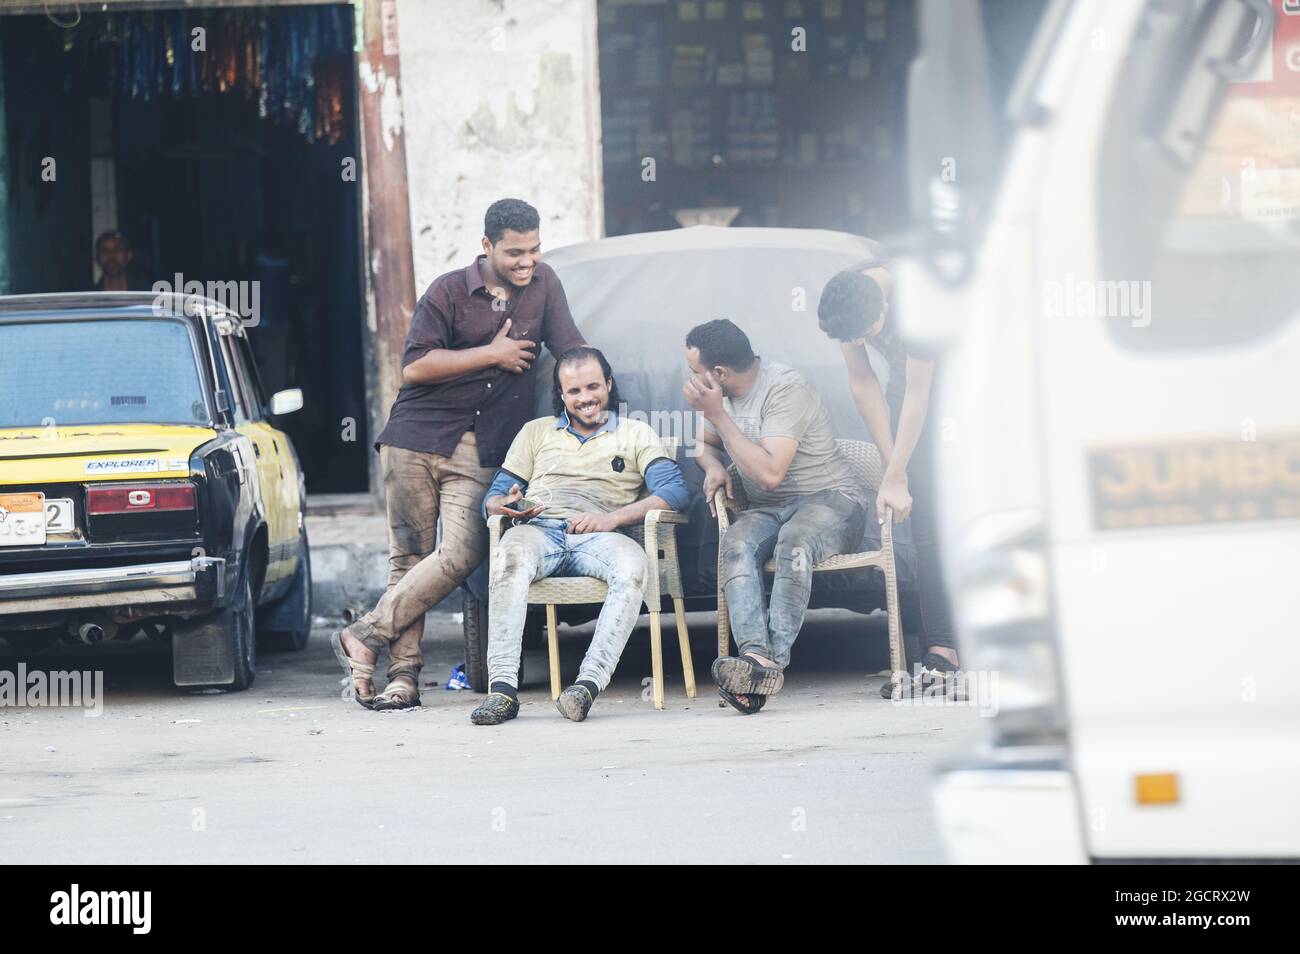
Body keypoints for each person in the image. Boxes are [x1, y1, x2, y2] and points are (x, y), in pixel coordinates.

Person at [332, 198, 585, 710]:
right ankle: (403, 679)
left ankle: (365, 634)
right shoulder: (448, 290)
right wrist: (492, 353)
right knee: (410, 558)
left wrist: (599, 403)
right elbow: (414, 367)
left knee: (464, 552)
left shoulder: (545, 285)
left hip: (487, 447)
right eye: (515, 252)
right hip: (416, 437)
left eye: (534, 250)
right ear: (487, 245)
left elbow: (571, 347)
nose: (526, 262)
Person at [470, 347, 690, 725]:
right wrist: (505, 505)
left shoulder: (636, 432)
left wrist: (613, 519)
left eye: (593, 386)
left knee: (633, 565)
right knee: (508, 557)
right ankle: (503, 691)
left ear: (608, 384)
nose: (585, 398)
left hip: (601, 536)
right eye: (574, 391)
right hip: (539, 530)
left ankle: (586, 686)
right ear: (561, 394)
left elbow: (674, 491)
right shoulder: (535, 433)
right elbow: (494, 497)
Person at [682, 319, 868, 714]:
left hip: (832, 500)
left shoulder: (786, 388)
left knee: (793, 542)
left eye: (697, 373)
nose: (694, 382)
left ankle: (771, 663)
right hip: (771, 510)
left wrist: (719, 415)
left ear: (719, 373)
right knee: (735, 542)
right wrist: (712, 466)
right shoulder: (724, 395)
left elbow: (768, 475)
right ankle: (754, 657)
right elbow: (699, 442)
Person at [816, 257, 959, 694]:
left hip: (969, 380)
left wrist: (898, 472)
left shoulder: (921, 300)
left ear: (885, 307)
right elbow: (863, 382)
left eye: (867, 333)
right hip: (910, 385)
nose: (860, 341)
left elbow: (922, 392)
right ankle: (943, 650)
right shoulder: (851, 299)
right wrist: (892, 467)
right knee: (925, 522)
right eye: (851, 337)